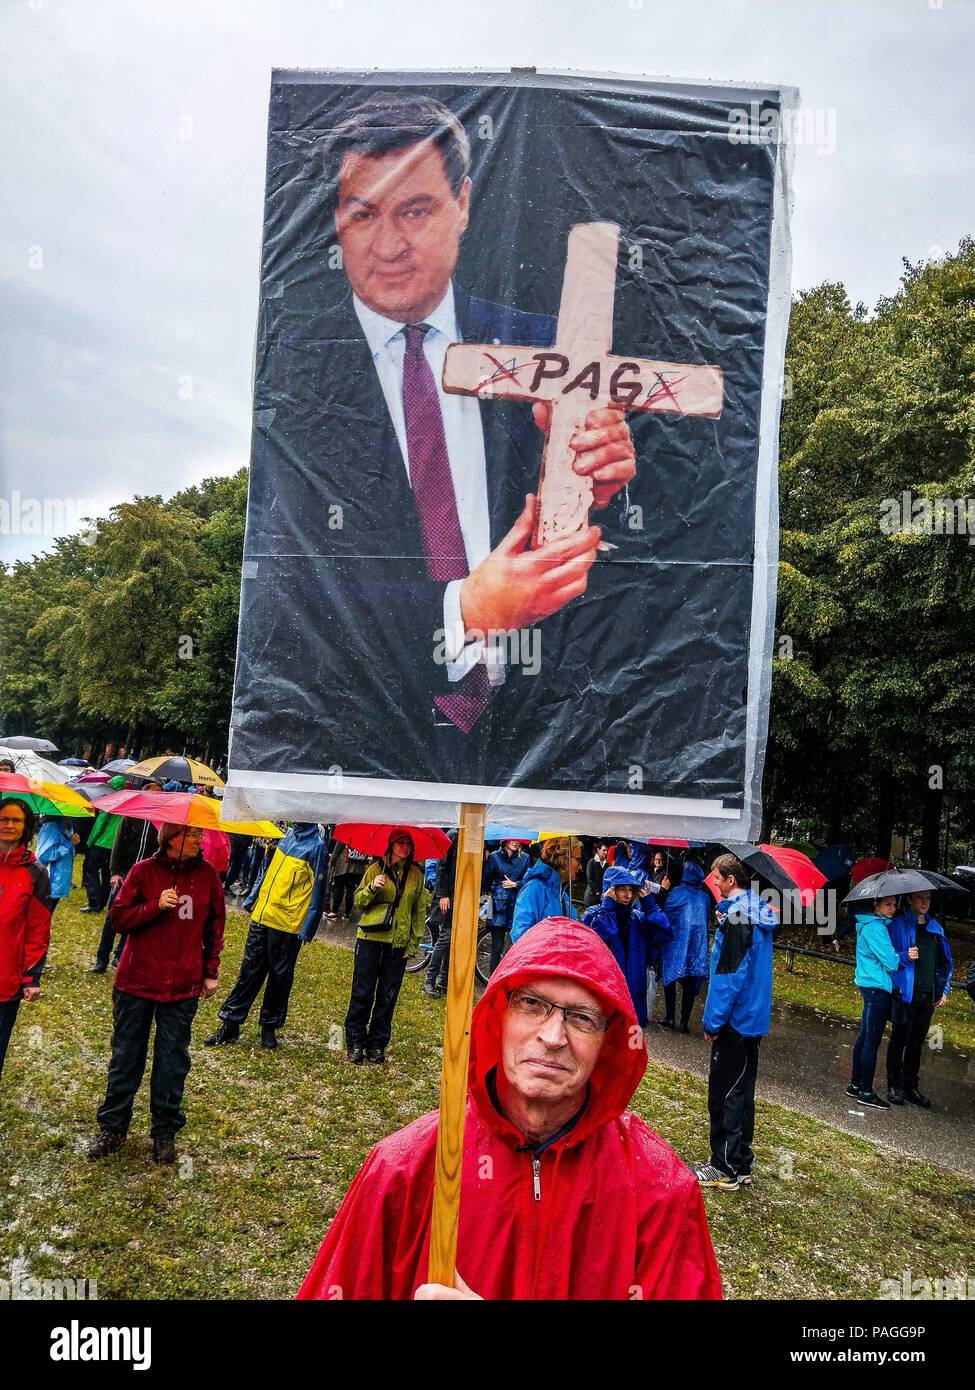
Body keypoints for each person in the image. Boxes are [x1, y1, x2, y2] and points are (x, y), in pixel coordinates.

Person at [232, 89, 640, 796]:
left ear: (464, 204)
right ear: (334, 221)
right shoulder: (297, 378)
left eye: (414, 210)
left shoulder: (547, 349)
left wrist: (600, 485)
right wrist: (464, 611)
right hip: (359, 743)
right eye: (362, 215)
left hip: (541, 745)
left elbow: (667, 573)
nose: (388, 246)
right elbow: (293, 599)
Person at [297, 918, 722, 1300]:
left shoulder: (660, 1192)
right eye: (532, 1004)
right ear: (499, 1013)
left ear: (609, 1040)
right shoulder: (405, 1172)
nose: (553, 1035)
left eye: (581, 1017)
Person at [88, 823, 225, 1165]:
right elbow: (117, 919)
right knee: (126, 1057)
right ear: (170, 839)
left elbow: (215, 927)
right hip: (136, 982)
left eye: (198, 835)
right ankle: (113, 1127)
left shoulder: (208, 877)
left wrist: (210, 971)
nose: (198, 840)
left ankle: (164, 1133)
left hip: (181, 987)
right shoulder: (142, 872)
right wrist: (154, 905)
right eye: (191, 834)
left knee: (172, 1062)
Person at [694, 853, 777, 1192]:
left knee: (725, 1092)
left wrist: (712, 1021)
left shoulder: (740, 919)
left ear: (730, 879)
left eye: (717, 880)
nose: (714, 885)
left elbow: (729, 976)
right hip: (751, 1018)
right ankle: (740, 1161)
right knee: (742, 1092)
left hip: (736, 1020)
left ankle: (724, 1165)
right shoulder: (753, 912)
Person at [205, 823, 328, 1050]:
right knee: (249, 970)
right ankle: (230, 1023)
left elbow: (318, 891)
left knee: (279, 976)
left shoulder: (317, 847)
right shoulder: (288, 836)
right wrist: (253, 898)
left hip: (287, 923)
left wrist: (308, 927)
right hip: (263, 915)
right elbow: (268, 870)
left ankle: (269, 1027)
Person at [345, 830, 427, 1064]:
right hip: (371, 939)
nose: (405, 847)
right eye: (401, 843)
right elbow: (358, 901)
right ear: (390, 845)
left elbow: (418, 911)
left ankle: (377, 1044)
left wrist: (413, 943)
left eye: (408, 844)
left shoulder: (416, 875)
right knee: (363, 991)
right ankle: (355, 1041)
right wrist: (372, 887)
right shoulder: (374, 869)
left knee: (388, 995)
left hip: (398, 944)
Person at [885, 890, 952, 1108]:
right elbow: (889, 957)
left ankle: (910, 1085)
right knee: (899, 1038)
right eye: (920, 898)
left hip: (927, 994)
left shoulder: (935, 929)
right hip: (906, 993)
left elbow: (945, 963)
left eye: (928, 898)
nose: (925, 902)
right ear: (910, 900)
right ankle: (894, 1084)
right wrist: (905, 956)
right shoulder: (899, 925)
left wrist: (944, 990)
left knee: (916, 1042)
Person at [581, 865, 672, 1027]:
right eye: (622, 889)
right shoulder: (593, 914)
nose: (628, 895)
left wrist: (650, 906)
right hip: (606, 995)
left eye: (631, 889)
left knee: (631, 1046)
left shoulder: (636, 918)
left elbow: (664, 934)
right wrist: (608, 907)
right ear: (610, 890)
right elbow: (603, 935)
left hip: (634, 997)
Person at [0, 799, 52, 1082]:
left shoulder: (35, 873)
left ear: (27, 827)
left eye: (16, 820)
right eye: (3, 819)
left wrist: (31, 976)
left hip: (5, 978)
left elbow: (38, 929)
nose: (8, 825)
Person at [90, 777, 163, 973]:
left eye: (158, 794)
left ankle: (120, 955)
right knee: (114, 915)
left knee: (136, 916)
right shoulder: (131, 816)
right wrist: (114, 872)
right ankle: (101, 958)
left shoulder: (162, 822)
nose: (154, 797)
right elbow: (117, 845)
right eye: (151, 793)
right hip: (124, 873)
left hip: (146, 877)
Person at [846, 894, 901, 1111]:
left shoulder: (867, 925)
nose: (892, 908)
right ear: (876, 905)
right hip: (877, 987)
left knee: (864, 1035)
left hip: (868, 984)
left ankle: (855, 1083)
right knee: (871, 1041)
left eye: (895, 905)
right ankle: (866, 1091)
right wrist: (900, 956)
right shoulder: (876, 928)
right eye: (887, 904)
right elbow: (891, 962)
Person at [660, 858, 711, 1032]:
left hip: (676, 943)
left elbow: (665, 913)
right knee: (689, 984)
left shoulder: (676, 893)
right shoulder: (705, 898)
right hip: (696, 947)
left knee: (670, 977)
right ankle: (684, 1022)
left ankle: (669, 1016)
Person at [510, 836, 580, 942]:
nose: (580, 867)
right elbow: (520, 935)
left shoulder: (563, 896)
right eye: (578, 860)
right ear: (563, 858)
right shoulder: (534, 889)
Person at [482, 838, 531, 976]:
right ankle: (492, 981)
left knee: (515, 946)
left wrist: (515, 884)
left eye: (518, 839)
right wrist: (496, 889)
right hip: (497, 905)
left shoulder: (525, 858)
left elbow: (529, 881)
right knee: (496, 947)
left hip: (517, 905)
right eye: (512, 839)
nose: (516, 842)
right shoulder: (494, 857)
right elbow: (485, 880)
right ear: (505, 840)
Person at [79, 777, 125, 913]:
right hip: (115, 845)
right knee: (107, 873)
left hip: (102, 842)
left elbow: (100, 824)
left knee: (91, 870)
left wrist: (90, 841)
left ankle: (93, 901)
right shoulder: (127, 800)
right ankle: (103, 902)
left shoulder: (111, 799)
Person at [423, 833, 457, 997]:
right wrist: (443, 894)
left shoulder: (475, 840)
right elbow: (442, 866)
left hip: (459, 897)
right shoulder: (454, 835)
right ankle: (430, 980)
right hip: (447, 897)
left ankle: (443, 981)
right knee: (446, 937)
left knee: (451, 940)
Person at [35, 816, 79, 915]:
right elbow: (44, 855)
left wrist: (72, 843)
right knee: (42, 916)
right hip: (50, 880)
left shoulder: (66, 825)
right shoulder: (51, 827)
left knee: (47, 915)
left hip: (59, 881)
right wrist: (69, 844)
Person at [583, 841, 609, 909]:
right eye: (604, 850)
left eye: (606, 850)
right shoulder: (591, 862)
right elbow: (590, 879)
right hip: (591, 895)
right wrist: (597, 892)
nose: (606, 852)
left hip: (601, 897)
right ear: (598, 850)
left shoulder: (606, 864)